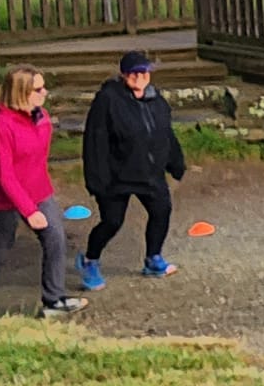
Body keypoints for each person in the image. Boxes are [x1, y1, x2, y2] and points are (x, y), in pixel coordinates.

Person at [0, 65, 88, 319]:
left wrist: (41, 199)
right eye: (38, 89)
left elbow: (37, 161)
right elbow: (4, 174)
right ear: (20, 93)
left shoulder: (42, 118)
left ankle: (53, 300)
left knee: (55, 239)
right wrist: (29, 210)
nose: (45, 92)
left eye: (43, 87)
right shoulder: (0, 126)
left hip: (38, 193)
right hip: (1, 201)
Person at [77, 49, 186, 288]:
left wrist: (175, 161)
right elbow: (95, 141)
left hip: (150, 172)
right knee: (112, 222)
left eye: (144, 72)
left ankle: (153, 258)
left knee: (161, 211)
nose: (139, 77)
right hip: (117, 176)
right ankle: (90, 259)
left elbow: (165, 133)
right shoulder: (107, 100)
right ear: (123, 75)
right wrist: (97, 179)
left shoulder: (157, 100)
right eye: (133, 73)